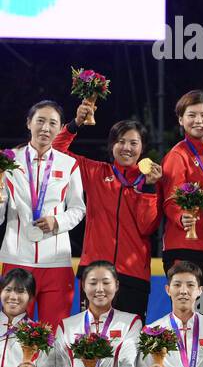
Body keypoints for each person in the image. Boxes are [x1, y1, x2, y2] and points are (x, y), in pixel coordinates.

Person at [55, 105, 161, 316]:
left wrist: (148, 188)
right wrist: (75, 125)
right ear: (111, 145)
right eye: (120, 141)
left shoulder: (150, 181)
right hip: (94, 272)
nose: (126, 148)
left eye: (133, 143)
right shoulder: (95, 172)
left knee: (130, 343)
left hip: (133, 276)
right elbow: (56, 153)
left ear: (142, 148)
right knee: (91, 342)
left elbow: (147, 227)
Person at [0, 100, 85, 332]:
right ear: (29, 123)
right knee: (13, 332)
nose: (45, 128)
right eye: (40, 121)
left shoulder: (69, 164)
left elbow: (79, 209)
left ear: (59, 129)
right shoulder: (7, 161)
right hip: (16, 258)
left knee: (54, 334)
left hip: (56, 262)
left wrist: (56, 222)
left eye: (52, 123)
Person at [158, 90, 203, 320]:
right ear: (180, 119)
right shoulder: (176, 155)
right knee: (189, 315)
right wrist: (180, 217)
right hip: (184, 245)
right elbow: (169, 198)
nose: (199, 121)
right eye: (192, 115)